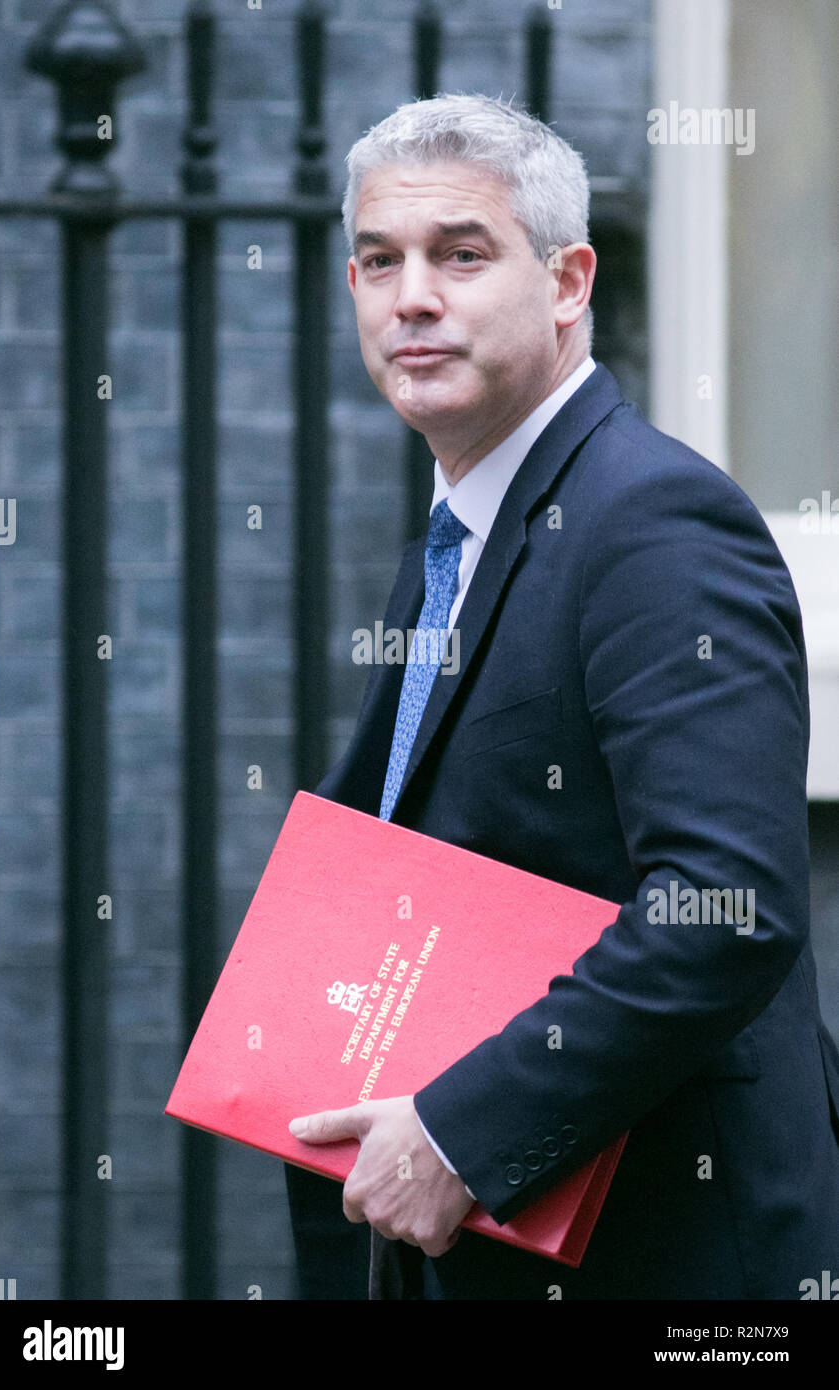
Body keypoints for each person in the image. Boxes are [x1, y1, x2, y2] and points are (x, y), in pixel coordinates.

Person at [283, 93, 839, 1300]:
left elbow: (723, 902)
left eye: (460, 254)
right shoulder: (467, 531)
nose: (409, 297)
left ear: (569, 280)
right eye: (378, 261)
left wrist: (458, 1134)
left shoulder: (652, 524)